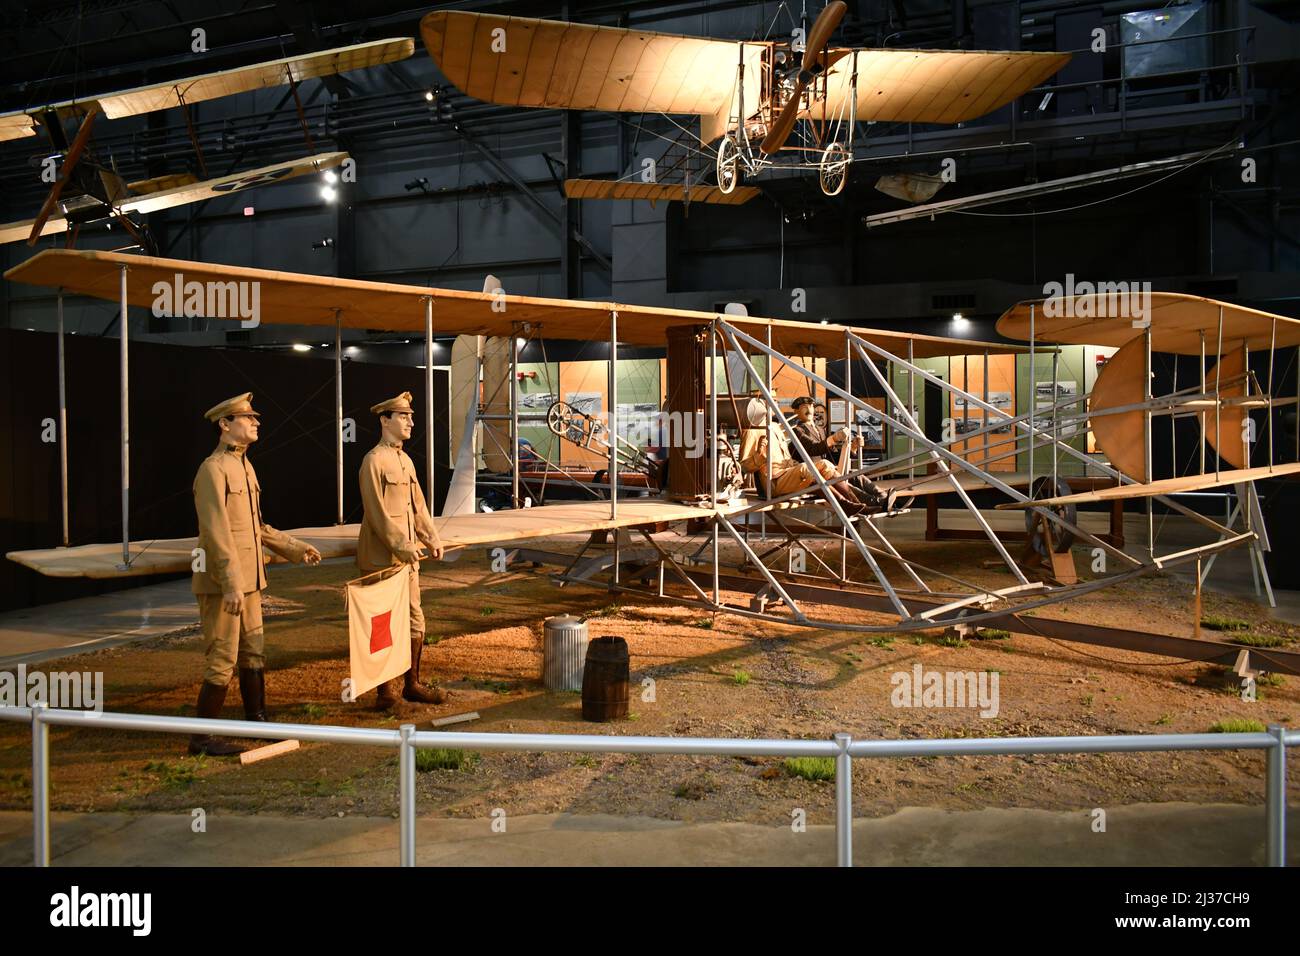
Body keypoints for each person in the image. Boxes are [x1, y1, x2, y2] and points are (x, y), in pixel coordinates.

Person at [189, 392, 322, 756]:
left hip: (250, 581)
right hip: (225, 585)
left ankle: (257, 722)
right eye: (247, 418)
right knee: (222, 658)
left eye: (255, 417)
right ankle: (200, 739)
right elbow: (216, 532)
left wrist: (294, 548)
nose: (255, 422)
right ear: (224, 424)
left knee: (253, 654)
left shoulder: (245, 467)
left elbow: (256, 526)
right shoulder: (213, 469)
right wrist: (231, 583)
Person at [358, 391, 448, 708]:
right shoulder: (373, 461)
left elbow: (418, 506)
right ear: (385, 420)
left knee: (414, 619)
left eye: (411, 416)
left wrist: (431, 538)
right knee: (382, 621)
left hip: (406, 561)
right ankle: (385, 692)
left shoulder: (405, 461)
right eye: (403, 416)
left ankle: (412, 684)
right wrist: (403, 545)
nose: (410, 421)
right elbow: (377, 513)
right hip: (382, 559)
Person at [739, 409, 868, 515]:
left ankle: (855, 504)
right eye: (770, 399)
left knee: (825, 464)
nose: (775, 403)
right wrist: (759, 456)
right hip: (773, 482)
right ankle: (844, 504)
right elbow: (743, 467)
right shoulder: (752, 431)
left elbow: (787, 457)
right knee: (806, 469)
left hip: (787, 473)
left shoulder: (775, 427)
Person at [788, 395, 887, 507]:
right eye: (804, 407)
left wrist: (852, 447)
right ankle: (876, 503)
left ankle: (883, 496)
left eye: (810, 406)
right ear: (796, 411)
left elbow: (833, 455)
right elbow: (813, 448)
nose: (809, 409)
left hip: (827, 472)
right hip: (813, 477)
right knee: (843, 483)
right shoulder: (797, 431)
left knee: (854, 475)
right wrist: (834, 438)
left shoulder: (820, 430)